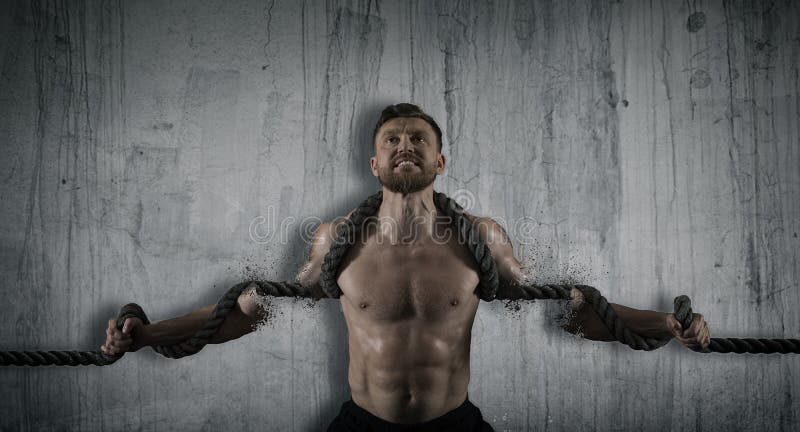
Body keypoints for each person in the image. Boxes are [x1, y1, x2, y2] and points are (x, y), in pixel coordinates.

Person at [101, 103, 711, 431]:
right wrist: (149, 336)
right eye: (392, 139)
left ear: (440, 160)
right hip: (362, 426)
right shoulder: (335, 239)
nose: (405, 146)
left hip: (455, 426)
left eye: (418, 138)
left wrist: (666, 324)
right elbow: (247, 314)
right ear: (374, 162)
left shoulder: (483, 237)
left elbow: (575, 312)